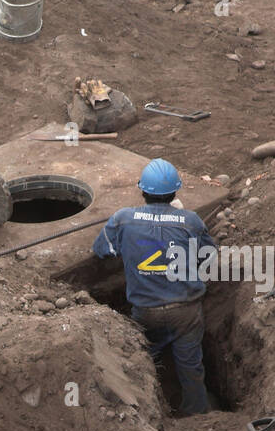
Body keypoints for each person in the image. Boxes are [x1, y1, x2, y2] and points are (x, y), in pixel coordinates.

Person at [92, 159, 214, 415]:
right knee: (191, 366)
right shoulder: (190, 221)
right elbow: (209, 257)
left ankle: (153, 412)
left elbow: (101, 250)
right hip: (186, 312)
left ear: (143, 190)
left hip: (145, 311)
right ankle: (198, 414)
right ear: (175, 193)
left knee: (146, 361)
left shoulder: (122, 218)